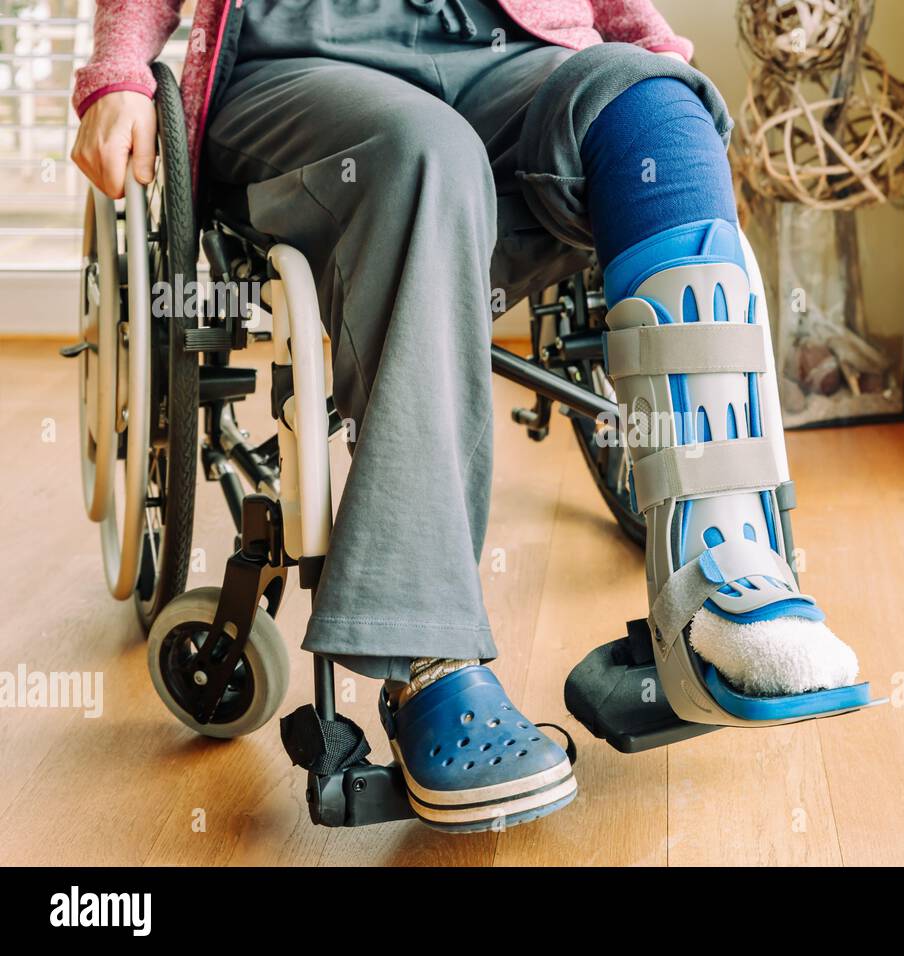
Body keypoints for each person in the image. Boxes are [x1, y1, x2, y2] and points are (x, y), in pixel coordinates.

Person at [71, 0, 860, 833]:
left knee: (654, 108)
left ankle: (723, 569)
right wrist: (119, 72)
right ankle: (427, 663)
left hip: (509, 54)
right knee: (427, 149)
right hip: (302, 69)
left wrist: (647, 50)